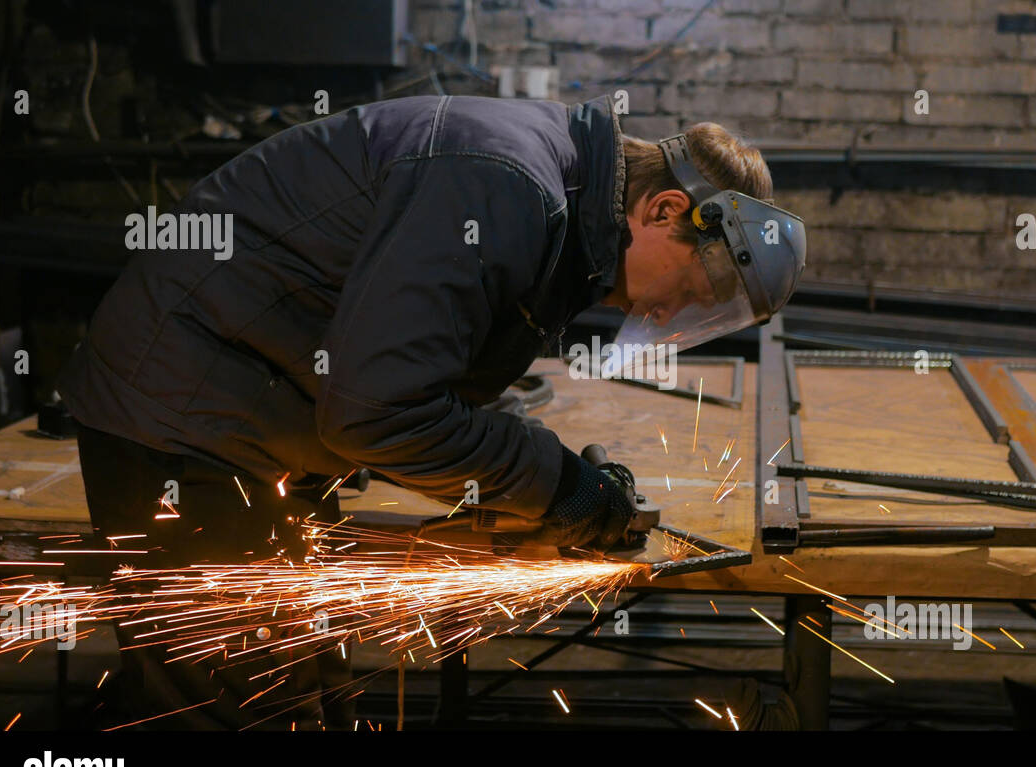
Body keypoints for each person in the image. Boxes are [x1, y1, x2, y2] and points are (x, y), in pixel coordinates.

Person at [57, 93, 806, 729]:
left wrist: (552, 469)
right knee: (237, 705)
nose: (667, 311)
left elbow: (430, 364)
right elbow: (377, 412)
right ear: (664, 209)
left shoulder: (556, 201)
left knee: (299, 687)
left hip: (253, 420)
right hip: (181, 417)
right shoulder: (506, 186)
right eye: (686, 293)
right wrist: (550, 482)